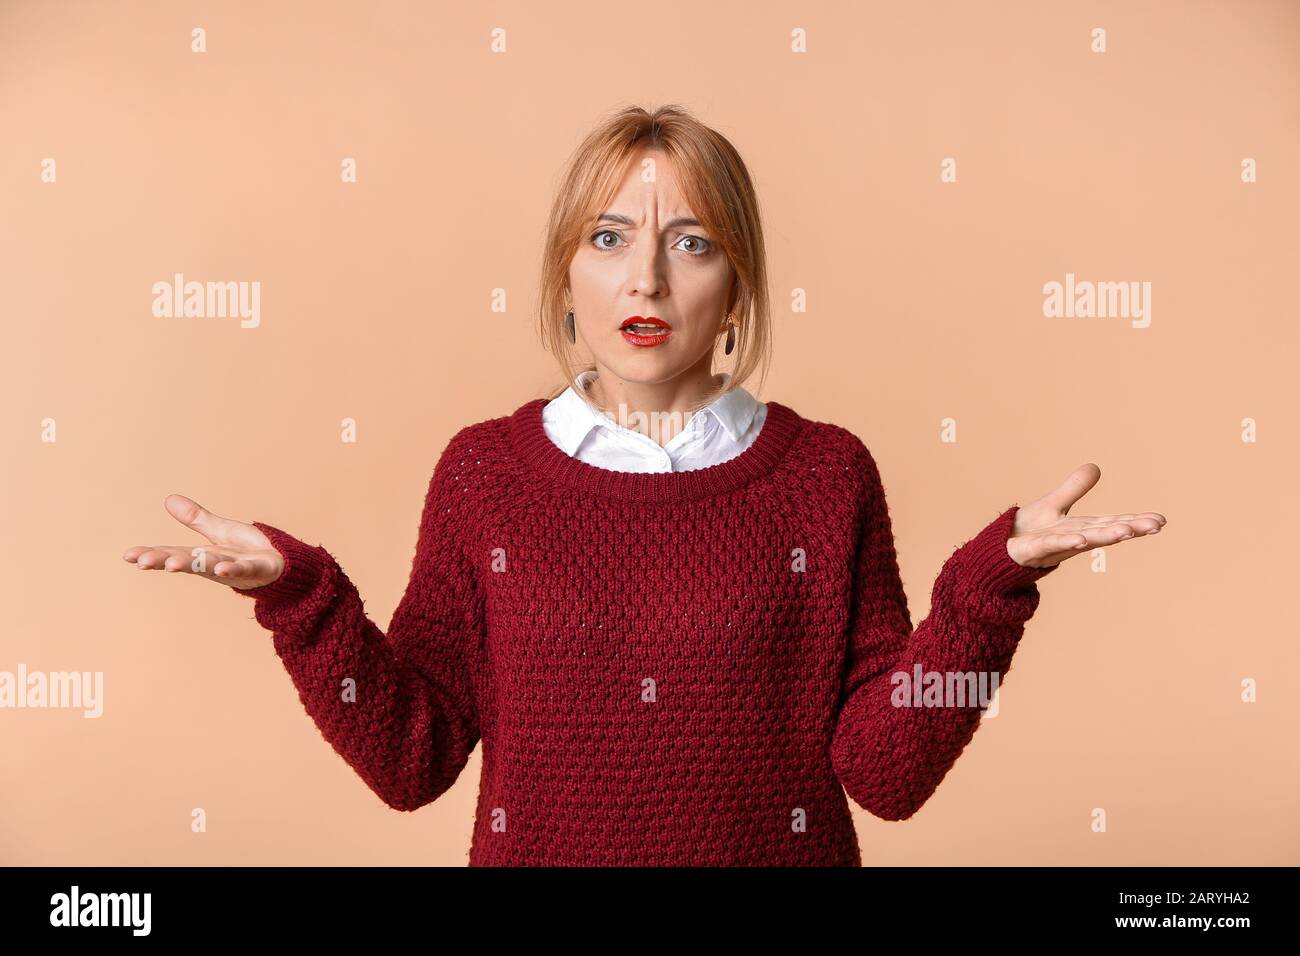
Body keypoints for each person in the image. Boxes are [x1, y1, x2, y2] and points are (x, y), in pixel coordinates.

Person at [123, 104, 1166, 866]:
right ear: (566, 275)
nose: (647, 279)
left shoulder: (825, 473)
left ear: (738, 282)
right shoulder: (485, 475)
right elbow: (415, 756)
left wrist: (988, 596)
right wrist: (297, 598)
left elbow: (885, 773)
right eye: (610, 239)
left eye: (691, 242)